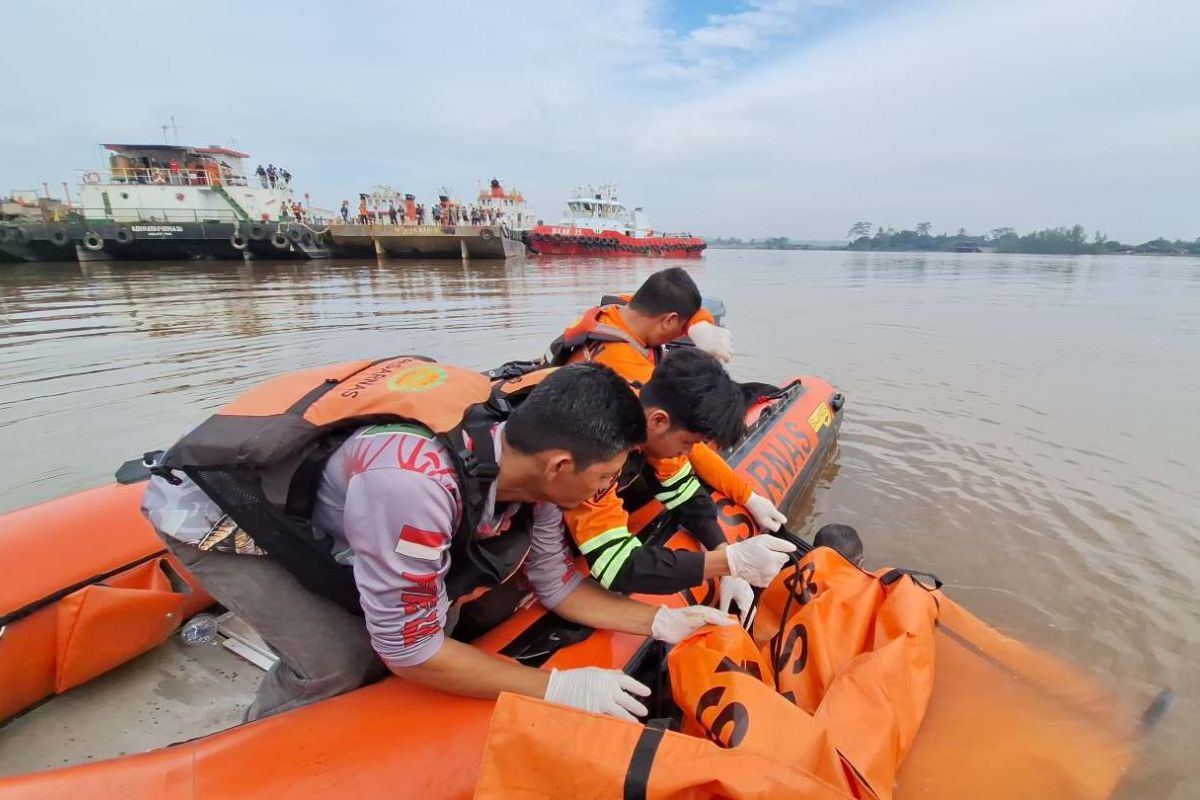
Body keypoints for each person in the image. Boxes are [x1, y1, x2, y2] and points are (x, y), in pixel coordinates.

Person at [145, 363, 733, 722]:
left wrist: (654, 623)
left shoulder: (538, 482)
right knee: (339, 661)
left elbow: (557, 584)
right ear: (559, 464)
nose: (607, 491)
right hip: (224, 521)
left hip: (347, 505)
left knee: (443, 618)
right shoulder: (416, 485)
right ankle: (263, 742)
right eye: (604, 479)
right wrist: (558, 688)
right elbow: (409, 651)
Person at [564, 348, 796, 614]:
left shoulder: (647, 425)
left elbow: (688, 497)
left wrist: (724, 551)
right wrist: (728, 562)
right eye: (688, 443)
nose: (689, 453)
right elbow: (616, 565)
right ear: (659, 421)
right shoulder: (598, 452)